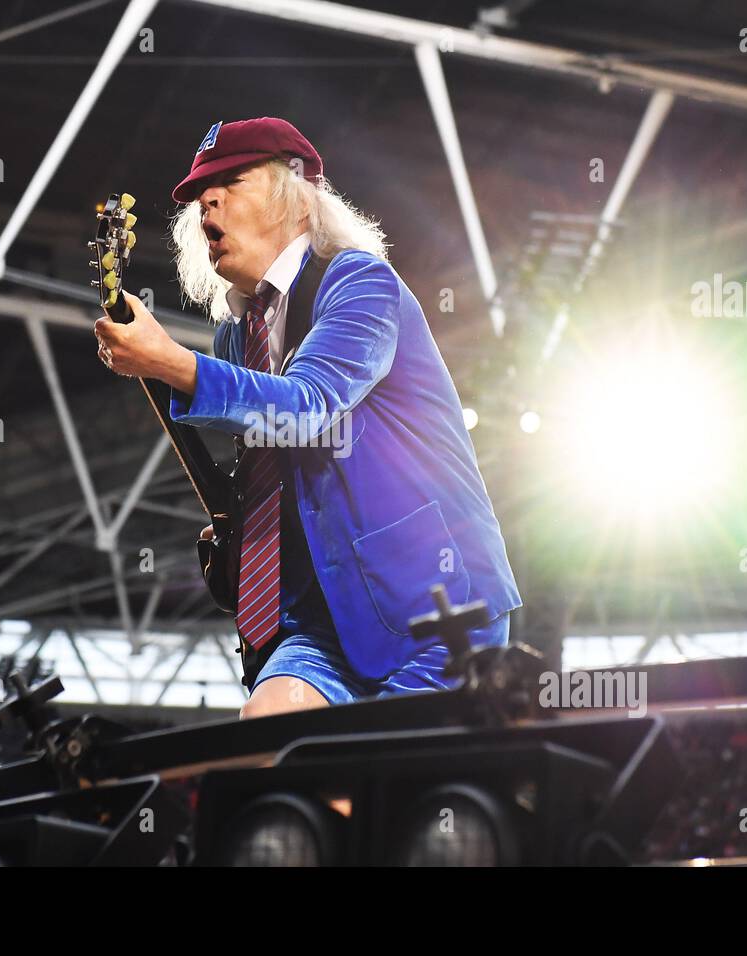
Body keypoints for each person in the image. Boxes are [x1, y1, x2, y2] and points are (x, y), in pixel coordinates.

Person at [95, 117, 520, 718]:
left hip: (430, 608)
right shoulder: (237, 335)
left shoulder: (360, 281)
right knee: (266, 741)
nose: (206, 202)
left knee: (390, 794)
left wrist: (174, 366)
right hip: (318, 616)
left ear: (295, 190)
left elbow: (309, 408)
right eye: (198, 197)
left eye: (230, 182)